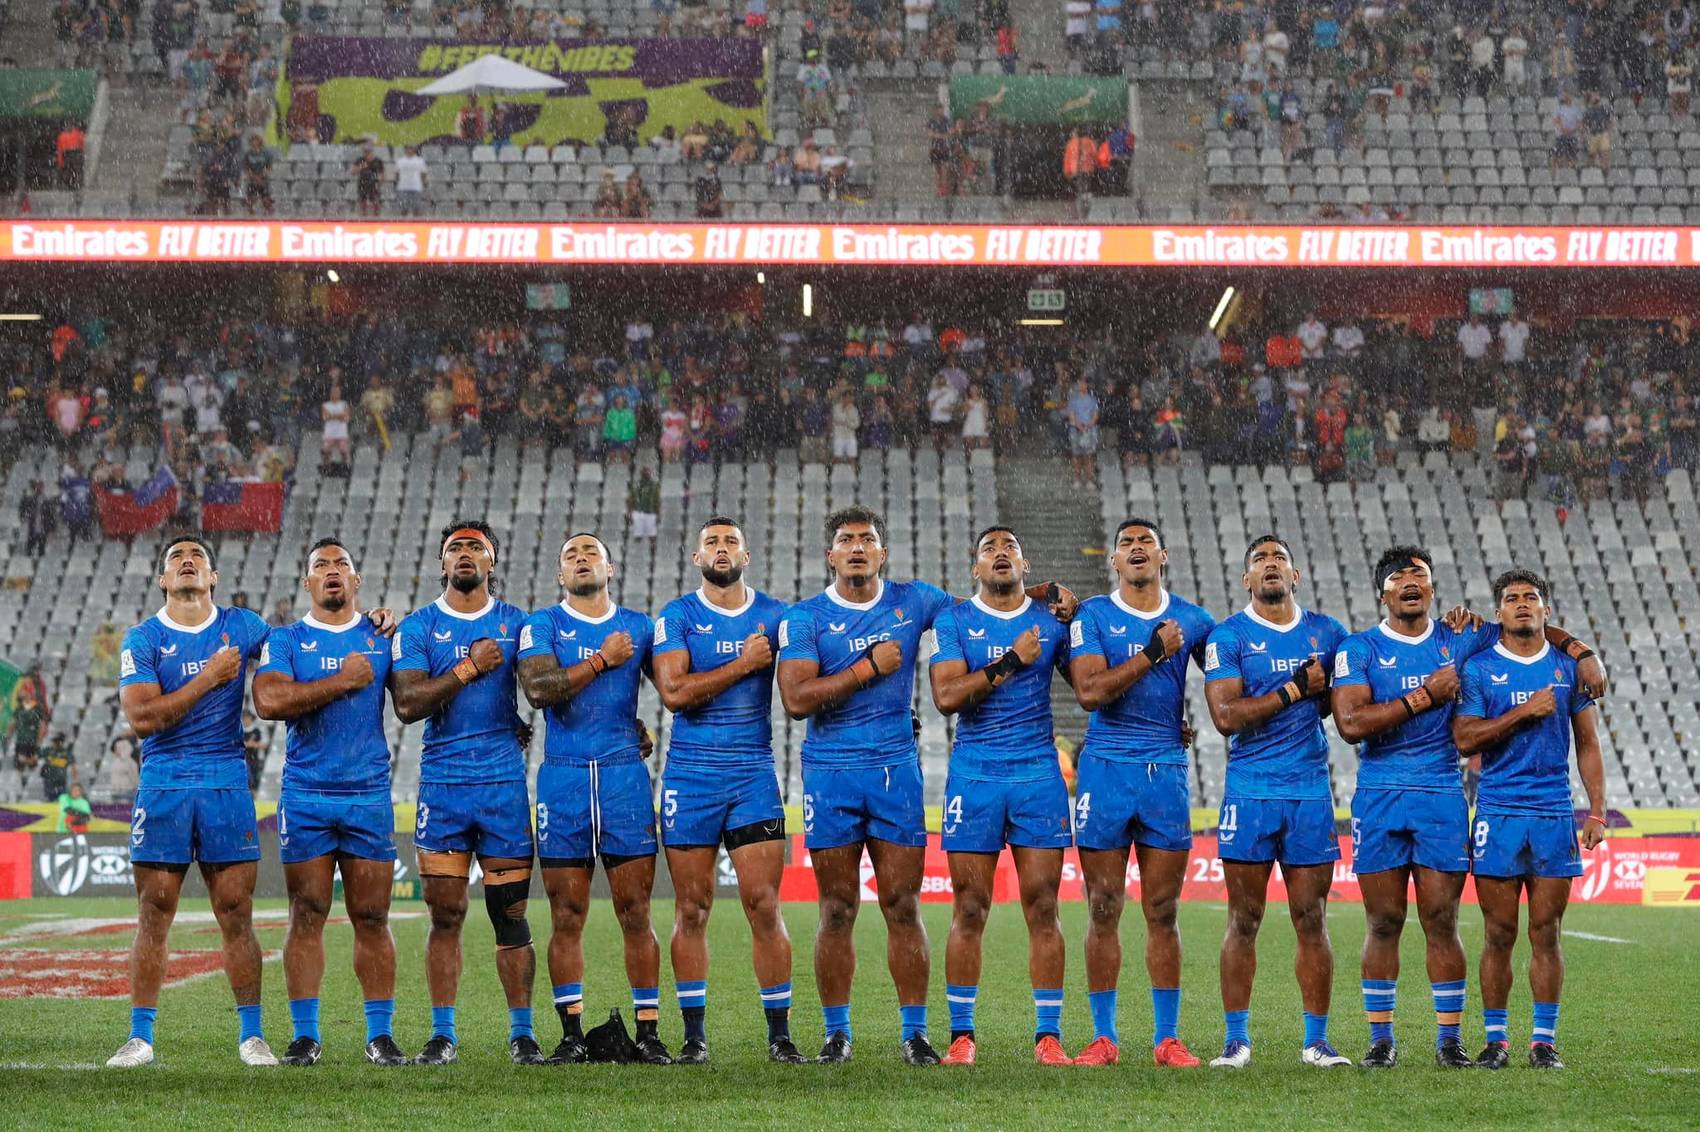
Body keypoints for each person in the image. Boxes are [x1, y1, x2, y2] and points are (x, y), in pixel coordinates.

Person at [777, 507, 1074, 1065]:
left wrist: (1043, 591)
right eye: (847, 540)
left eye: (868, 539)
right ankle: (837, 1034)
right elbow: (795, 700)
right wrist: (866, 669)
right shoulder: (805, 617)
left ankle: (914, 1033)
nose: (858, 547)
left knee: (902, 904)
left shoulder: (916, 601)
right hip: (830, 773)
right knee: (837, 908)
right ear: (831, 555)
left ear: (883, 553)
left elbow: (983, 602)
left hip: (896, 773)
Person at [108, 535, 278, 1068]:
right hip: (164, 781)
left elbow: (297, 645)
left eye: (197, 557)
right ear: (163, 579)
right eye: (176, 558)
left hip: (225, 781)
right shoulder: (143, 638)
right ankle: (140, 1038)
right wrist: (209, 677)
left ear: (213, 577)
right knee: (154, 912)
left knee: (236, 912)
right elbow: (143, 718)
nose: (187, 561)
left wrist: (369, 623)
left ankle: (252, 1036)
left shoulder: (243, 626)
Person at [651, 518, 806, 1064]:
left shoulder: (776, 616)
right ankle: (694, 1037)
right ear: (697, 557)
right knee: (692, 908)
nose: (722, 549)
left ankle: (780, 1036)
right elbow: (674, 693)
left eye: (731, 541)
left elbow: (808, 678)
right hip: (690, 778)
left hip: (752, 777)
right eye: (712, 542)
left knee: (764, 905)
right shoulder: (676, 616)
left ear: (747, 555)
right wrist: (743, 663)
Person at [516, 532, 671, 1065]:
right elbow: (539, 690)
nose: (581, 559)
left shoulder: (640, 627)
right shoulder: (541, 625)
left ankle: (649, 1033)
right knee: (567, 913)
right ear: (560, 575)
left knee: (636, 911)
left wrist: (641, 728)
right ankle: (571, 1035)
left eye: (591, 553)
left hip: (623, 778)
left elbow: (674, 690)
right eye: (570, 555)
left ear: (611, 567)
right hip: (563, 780)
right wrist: (603, 661)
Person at [389, 521, 540, 1066]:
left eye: (477, 547)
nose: (466, 554)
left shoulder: (519, 623)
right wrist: (470, 667)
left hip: (502, 787)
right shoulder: (418, 627)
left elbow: (541, 688)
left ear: (492, 562)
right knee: (445, 916)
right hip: (444, 786)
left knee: (511, 914)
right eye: (456, 547)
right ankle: (442, 1034)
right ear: (442, 562)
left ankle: (522, 1034)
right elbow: (408, 704)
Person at [253, 538, 408, 1067]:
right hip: (307, 795)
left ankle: (380, 1035)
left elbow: (411, 698)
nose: (332, 570)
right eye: (321, 565)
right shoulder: (286, 639)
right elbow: (269, 699)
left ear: (357, 580)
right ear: (308, 583)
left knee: (373, 915)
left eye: (342, 563)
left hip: (367, 794)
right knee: (306, 912)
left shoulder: (383, 636)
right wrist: (342, 680)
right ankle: (305, 1035)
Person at [1068, 519, 1216, 1068]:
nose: (1135, 549)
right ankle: (1103, 1038)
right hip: (1106, 769)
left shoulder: (1194, 620)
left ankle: (1167, 1039)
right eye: (1125, 544)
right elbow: (1089, 691)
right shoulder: (1093, 616)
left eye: (1145, 542)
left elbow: (1232, 676)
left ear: (1163, 555)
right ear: (1113, 561)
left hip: (1165, 772)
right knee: (1103, 906)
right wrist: (1153, 654)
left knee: (1162, 909)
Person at [1202, 535, 1350, 1069]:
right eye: (1260, 560)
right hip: (1251, 790)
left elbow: (1341, 706)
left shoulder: (1329, 634)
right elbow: (1226, 717)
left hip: (1309, 791)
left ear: (1295, 575)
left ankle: (1317, 1041)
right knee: (1244, 918)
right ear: (1246, 579)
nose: (1270, 565)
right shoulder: (1229, 636)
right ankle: (1236, 1040)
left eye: (1279, 558)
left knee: (1312, 917)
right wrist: (1293, 689)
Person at [928, 527, 1074, 1067]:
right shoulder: (953, 621)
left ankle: (1048, 1037)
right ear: (975, 569)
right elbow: (946, 696)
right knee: (969, 907)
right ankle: (962, 1036)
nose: (1000, 554)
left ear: (1025, 564)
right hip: (976, 775)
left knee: (1044, 906)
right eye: (988, 549)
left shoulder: (1053, 622)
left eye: (1010, 547)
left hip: (1038, 776)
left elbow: (1090, 686)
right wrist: (1011, 661)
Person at [1453, 570, 1607, 1071]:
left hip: (1553, 812)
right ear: (1498, 612)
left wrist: (1597, 810)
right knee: (1499, 933)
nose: (1522, 604)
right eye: (1512, 598)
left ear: (1546, 609)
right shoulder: (1479, 669)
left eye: (1531, 597)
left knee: (1547, 931)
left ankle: (1543, 1042)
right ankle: (1495, 1041)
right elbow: (1465, 738)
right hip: (1498, 812)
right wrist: (1523, 712)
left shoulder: (1566, 668)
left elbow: (1588, 744)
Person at [38, 731, 75, 802]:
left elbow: (73, 767)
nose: (56, 743)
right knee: (50, 800)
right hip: (49, 781)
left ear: (62, 742)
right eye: (55, 741)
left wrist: (74, 780)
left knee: (62, 801)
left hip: (61, 781)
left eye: (58, 741)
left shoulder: (67, 753)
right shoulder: (48, 751)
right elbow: (35, 757)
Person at [394, 145, 427, 216]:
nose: (409, 150)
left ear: (414, 149)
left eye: (411, 148)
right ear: (405, 150)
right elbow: (397, 174)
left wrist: (423, 183)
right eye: (407, 148)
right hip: (403, 187)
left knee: (416, 208)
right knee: (404, 209)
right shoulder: (400, 161)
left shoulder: (420, 161)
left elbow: (423, 174)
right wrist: (397, 183)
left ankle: (416, 222)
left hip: (416, 187)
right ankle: (403, 222)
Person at [353, 143, 384, 217]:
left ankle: (376, 216)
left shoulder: (378, 161)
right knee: (363, 201)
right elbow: (353, 172)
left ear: (372, 151)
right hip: (362, 183)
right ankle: (363, 216)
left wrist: (379, 183)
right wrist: (361, 167)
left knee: (375, 201)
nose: (366, 153)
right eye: (365, 151)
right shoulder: (360, 160)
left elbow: (382, 174)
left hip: (374, 183)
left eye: (368, 151)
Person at [628, 468, 659, 540]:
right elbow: (631, 500)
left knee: (652, 536)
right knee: (638, 535)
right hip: (638, 512)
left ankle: (651, 546)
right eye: (644, 473)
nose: (646, 474)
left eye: (647, 472)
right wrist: (630, 513)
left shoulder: (654, 485)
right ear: (641, 474)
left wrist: (658, 513)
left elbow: (657, 501)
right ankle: (638, 546)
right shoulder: (636, 485)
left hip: (651, 512)